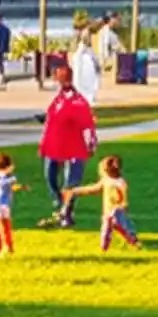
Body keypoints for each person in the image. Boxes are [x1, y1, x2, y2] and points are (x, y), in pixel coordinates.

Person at [38, 66, 97, 229]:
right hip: (54, 146)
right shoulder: (58, 100)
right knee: (50, 177)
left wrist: (90, 143)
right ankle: (60, 204)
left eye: (58, 79)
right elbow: (52, 120)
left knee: (71, 182)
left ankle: (66, 212)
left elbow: (87, 125)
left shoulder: (79, 102)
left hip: (73, 148)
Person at [64, 155, 142, 252]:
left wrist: (76, 191)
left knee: (116, 227)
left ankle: (125, 243)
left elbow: (94, 190)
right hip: (113, 211)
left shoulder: (113, 182)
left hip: (113, 211)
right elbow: (95, 190)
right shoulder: (115, 181)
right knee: (116, 227)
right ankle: (111, 245)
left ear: (106, 170)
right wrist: (76, 191)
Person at [71, 29, 102, 106]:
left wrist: (96, 64)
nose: (89, 38)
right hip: (82, 68)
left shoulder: (87, 48)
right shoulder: (80, 47)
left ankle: (87, 96)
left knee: (90, 83)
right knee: (82, 83)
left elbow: (93, 56)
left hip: (87, 69)